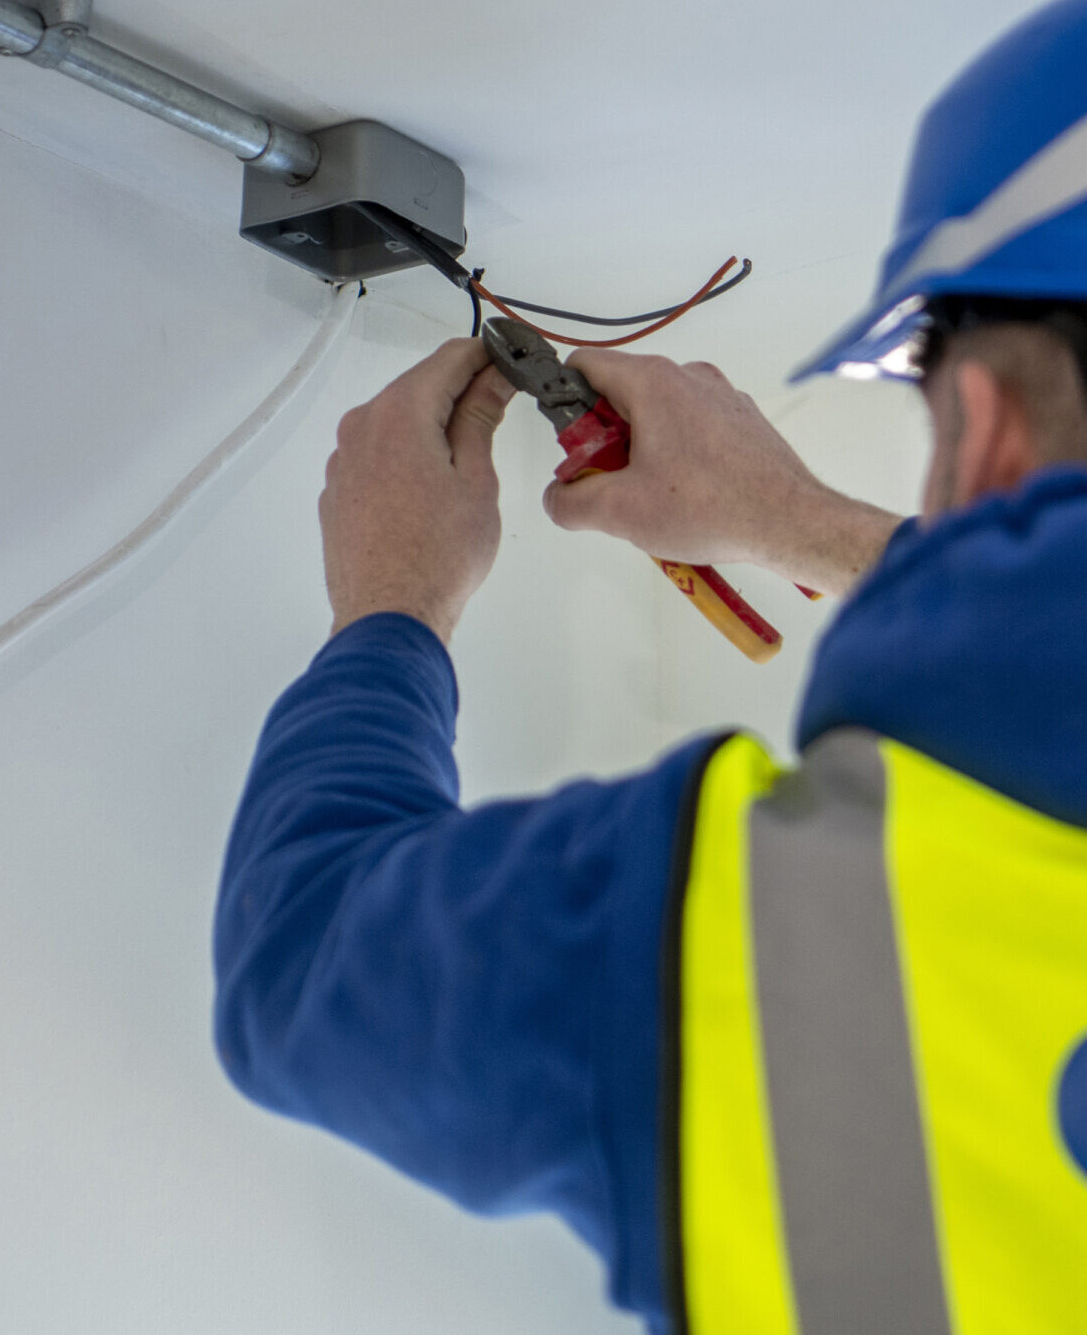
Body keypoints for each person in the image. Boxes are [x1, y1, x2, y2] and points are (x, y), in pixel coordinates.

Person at [212, 4, 1087, 1331]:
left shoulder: (759, 940)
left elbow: (303, 960)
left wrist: (390, 608)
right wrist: (802, 525)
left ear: (983, 425)